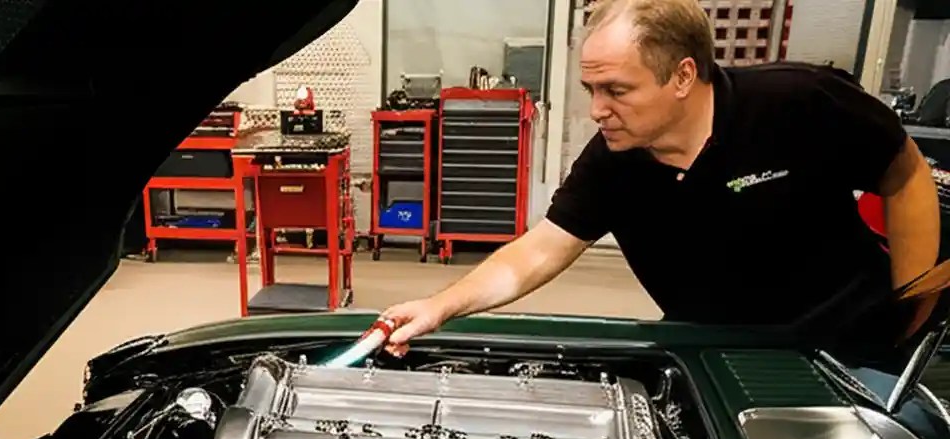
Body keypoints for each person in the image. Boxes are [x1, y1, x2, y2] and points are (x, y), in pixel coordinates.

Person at [382, 0, 942, 365]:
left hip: (853, 346)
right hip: (717, 354)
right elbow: (539, 251)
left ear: (682, 76)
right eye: (590, 87)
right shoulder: (614, 160)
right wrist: (440, 305)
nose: (596, 110)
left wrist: (913, 303)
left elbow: (905, 174)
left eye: (617, 90)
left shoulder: (799, 102)